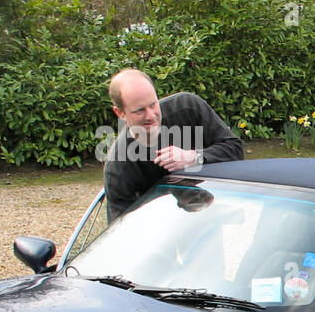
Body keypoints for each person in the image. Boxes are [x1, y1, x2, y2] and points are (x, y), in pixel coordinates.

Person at [103, 69, 244, 222]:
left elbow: (235, 149)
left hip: (210, 219)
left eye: (153, 104)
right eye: (139, 111)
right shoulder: (118, 168)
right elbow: (121, 231)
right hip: (162, 234)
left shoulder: (188, 108)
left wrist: (194, 158)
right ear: (120, 113)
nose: (150, 115)